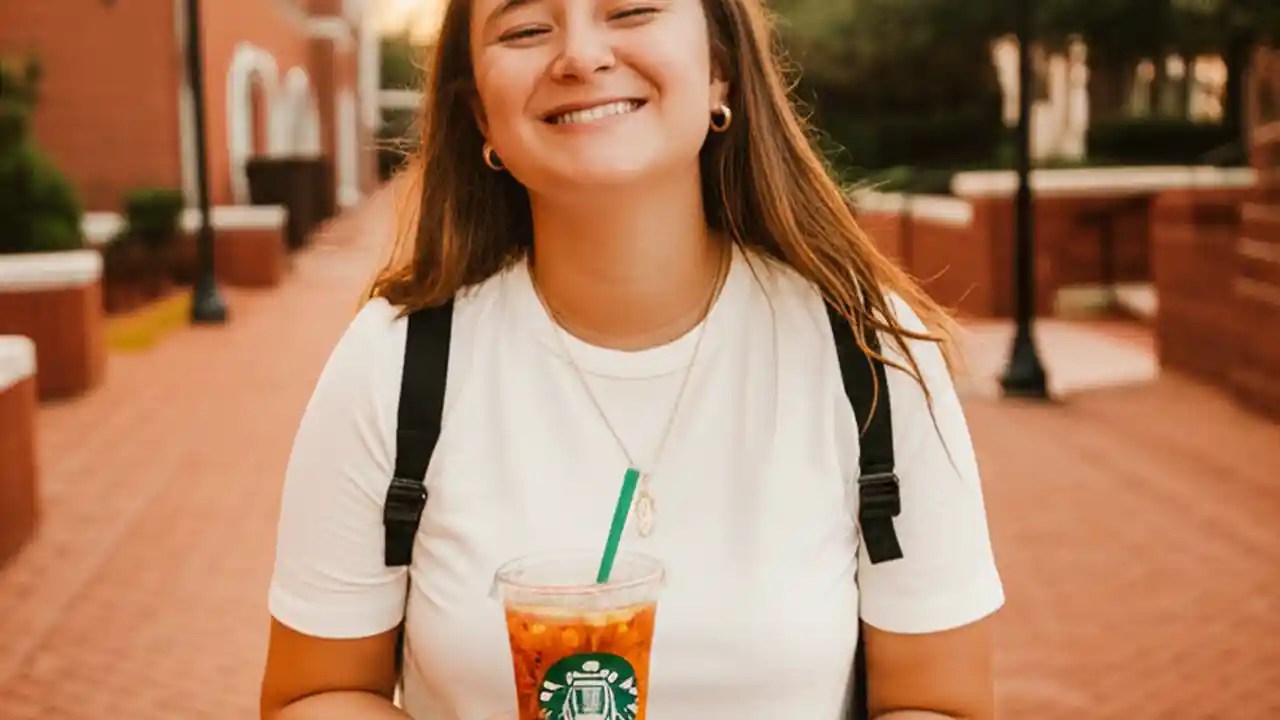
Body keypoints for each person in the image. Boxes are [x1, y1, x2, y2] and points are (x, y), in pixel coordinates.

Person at [259, 0, 1005, 718]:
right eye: (525, 28)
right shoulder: (394, 361)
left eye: (633, 10)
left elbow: (941, 702)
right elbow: (311, 695)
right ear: (481, 115)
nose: (581, 55)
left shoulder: (865, 350)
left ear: (720, 69)